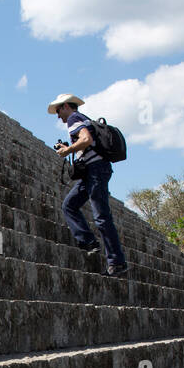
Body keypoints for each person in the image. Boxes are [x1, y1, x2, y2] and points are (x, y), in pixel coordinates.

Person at [48, 93, 128, 276]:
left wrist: (68, 149)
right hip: (93, 171)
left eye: (59, 110)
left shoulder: (74, 118)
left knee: (101, 216)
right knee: (69, 205)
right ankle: (89, 241)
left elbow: (86, 140)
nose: (58, 115)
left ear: (67, 106)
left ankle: (116, 262)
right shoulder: (83, 119)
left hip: (96, 170)